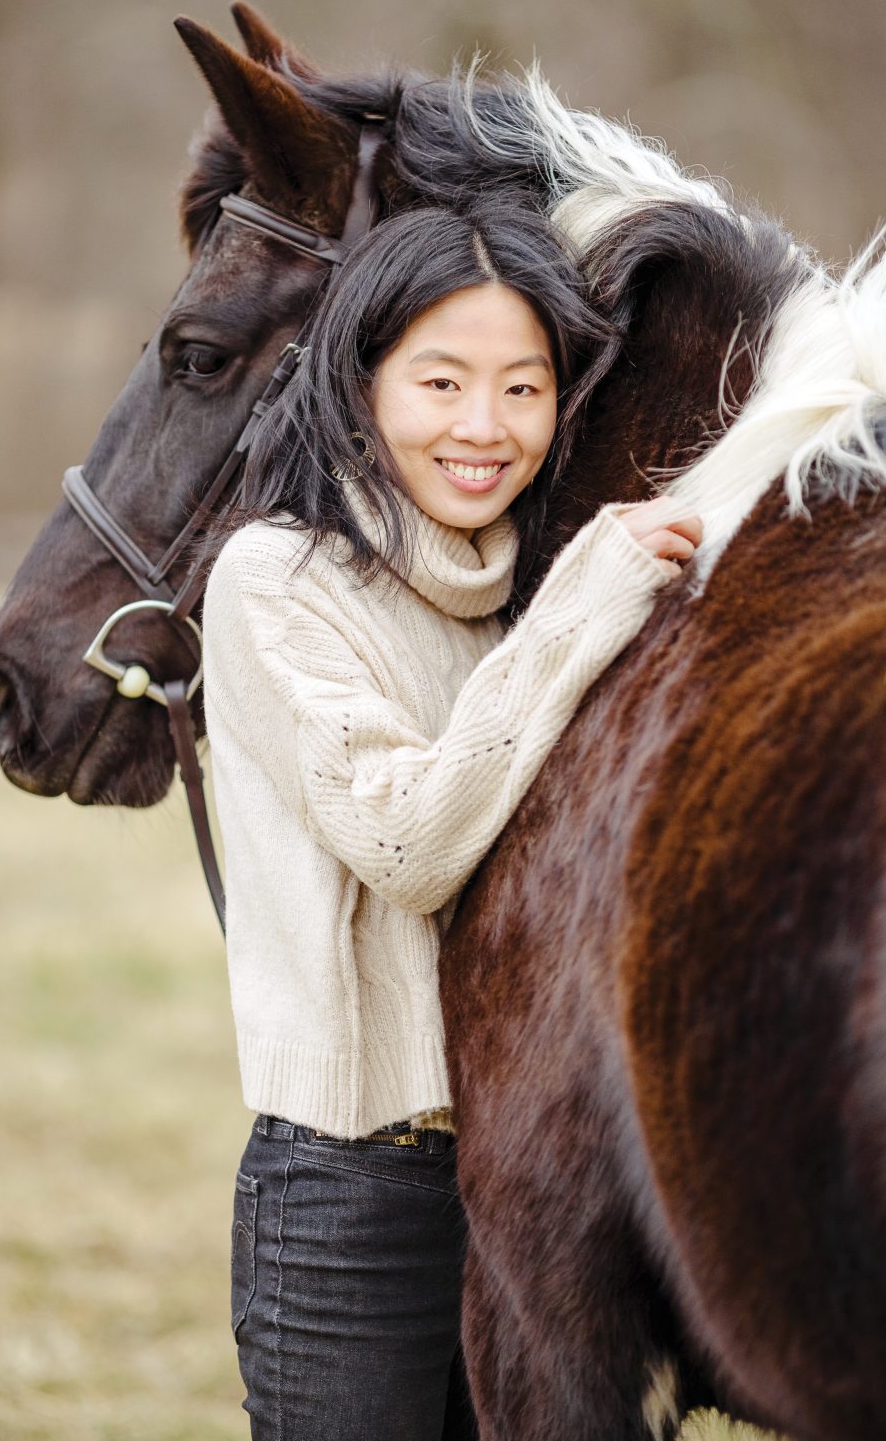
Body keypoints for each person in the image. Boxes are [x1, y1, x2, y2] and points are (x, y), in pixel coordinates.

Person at [201, 194, 702, 1440]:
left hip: (537, 1168)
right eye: (440, 382)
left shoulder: (519, 586)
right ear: (362, 383)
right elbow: (406, 843)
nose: (484, 428)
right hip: (351, 1185)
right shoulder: (275, 579)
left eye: (523, 389)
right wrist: (582, 605)